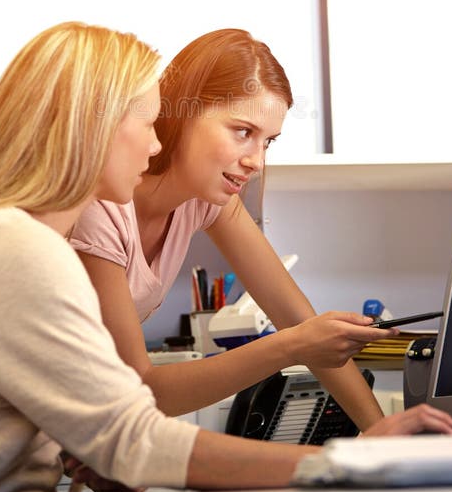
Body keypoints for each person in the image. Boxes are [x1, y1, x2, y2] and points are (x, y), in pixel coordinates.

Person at [0, 21, 452, 492]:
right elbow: (134, 434)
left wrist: (76, 444)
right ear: (92, 123)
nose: (154, 145)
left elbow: (82, 421)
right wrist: (346, 465)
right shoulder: (17, 245)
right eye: (149, 122)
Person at [71, 30, 397, 427]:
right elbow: (142, 389)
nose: (255, 161)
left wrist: (381, 431)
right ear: (181, 113)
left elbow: (298, 320)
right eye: (242, 132)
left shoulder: (209, 200)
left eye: (268, 142)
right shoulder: (98, 210)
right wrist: (290, 347)